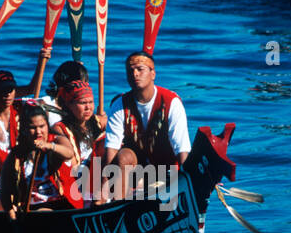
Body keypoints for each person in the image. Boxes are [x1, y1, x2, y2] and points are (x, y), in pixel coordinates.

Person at [103, 52, 190, 199]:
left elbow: (181, 148)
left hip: (167, 171)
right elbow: (111, 151)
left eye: (140, 69)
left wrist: (189, 183)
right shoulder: (119, 105)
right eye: (130, 71)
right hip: (137, 171)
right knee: (123, 156)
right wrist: (102, 196)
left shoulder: (172, 102)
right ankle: (119, 206)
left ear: (153, 73)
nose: (134, 74)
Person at [0, 105, 69, 216]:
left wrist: (49, 146)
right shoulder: (16, 154)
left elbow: (69, 153)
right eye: (33, 127)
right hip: (30, 208)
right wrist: (11, 214)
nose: (38, 132)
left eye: (42, 126)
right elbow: (4, 189)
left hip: (59, 204)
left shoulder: (57, 140)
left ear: (48, 126)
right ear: (24, 130)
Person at [50, 80, 105, 208]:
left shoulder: (96, 122)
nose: (88, 107)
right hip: (77, 179)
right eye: (83, 103)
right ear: (70, 105)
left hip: (98, 175)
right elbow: (73, 166)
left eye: (91, 102)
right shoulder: (60, 128)